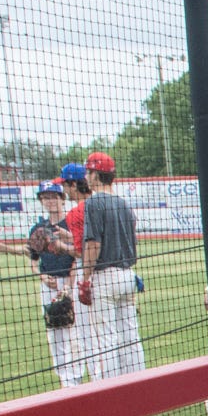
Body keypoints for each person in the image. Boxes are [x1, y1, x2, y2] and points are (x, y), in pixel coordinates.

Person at [76, 150, 144, 379]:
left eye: (89, 171)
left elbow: (93, 244)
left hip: (105, 276)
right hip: (127, 274)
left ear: (96, 175)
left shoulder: (94, 203)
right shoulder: (123, 203)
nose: (86, 175)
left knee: (106, 338)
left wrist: (85, 278)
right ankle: (137, 384)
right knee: (130, 335)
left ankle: (109, 390)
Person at [26, 179, 86, 388]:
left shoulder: (70, 223)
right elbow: (33, 260)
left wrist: (70, 284)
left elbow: (79, 255)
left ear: (62, 198)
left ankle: (76, 376)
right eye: (45, 197)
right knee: (54, 329)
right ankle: (64, 378)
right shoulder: (38, 228)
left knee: (75, 330)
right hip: (49, 284)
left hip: (72, 281)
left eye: (53, 196)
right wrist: (41, 276)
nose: (50, 201)